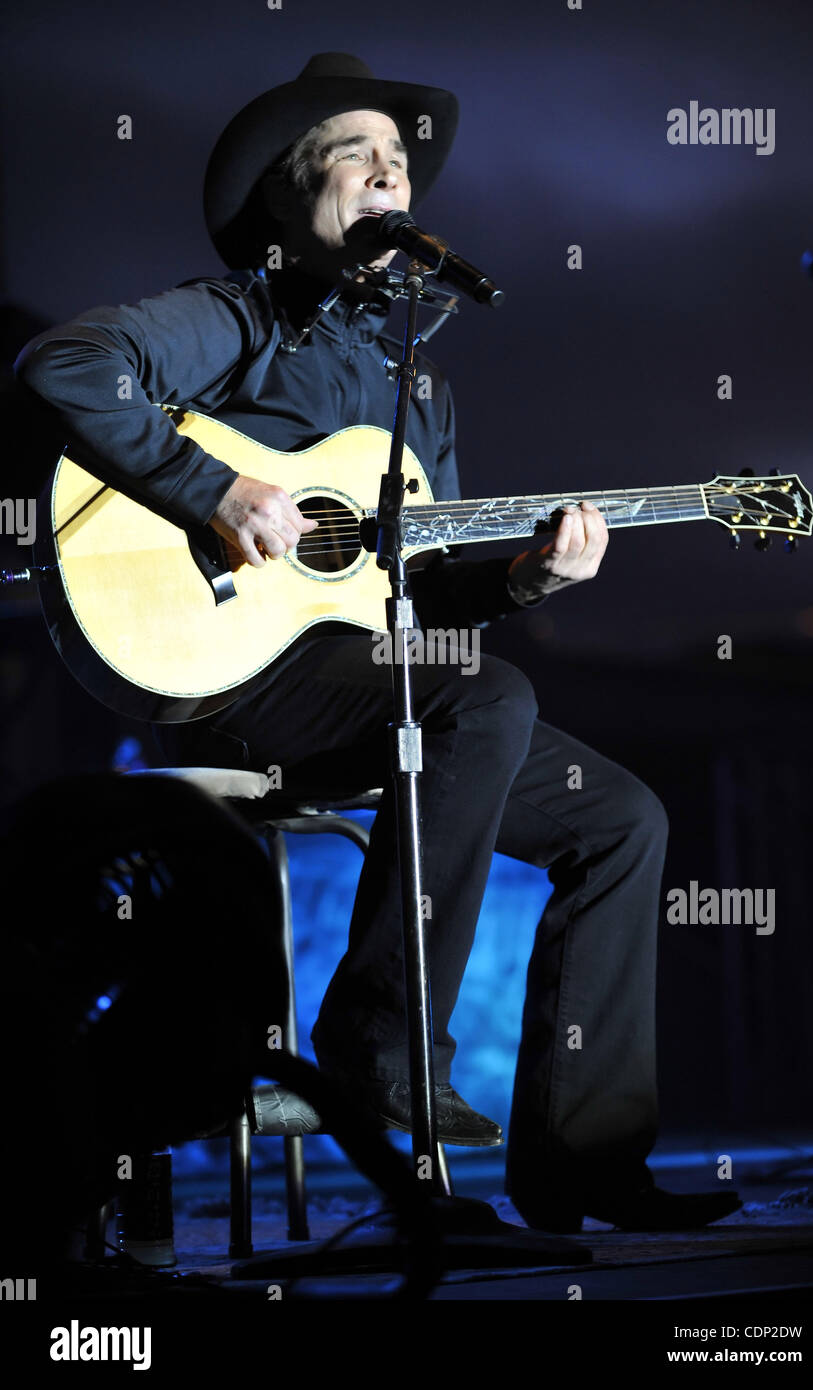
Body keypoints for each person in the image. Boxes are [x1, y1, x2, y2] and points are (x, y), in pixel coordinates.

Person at [15, 52, 741, 1233]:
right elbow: (62, 366)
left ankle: (584, 1160)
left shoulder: (417, 386)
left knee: (621, 819)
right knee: (482, 698)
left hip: (364, 683)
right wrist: (214, 490)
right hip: (224, 666)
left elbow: (418, 601)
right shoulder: (234, 317)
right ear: (291, 198)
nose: (389, 174)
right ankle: (377, 1044)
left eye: (401, 164)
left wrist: (519, 578)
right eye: (358, 155)